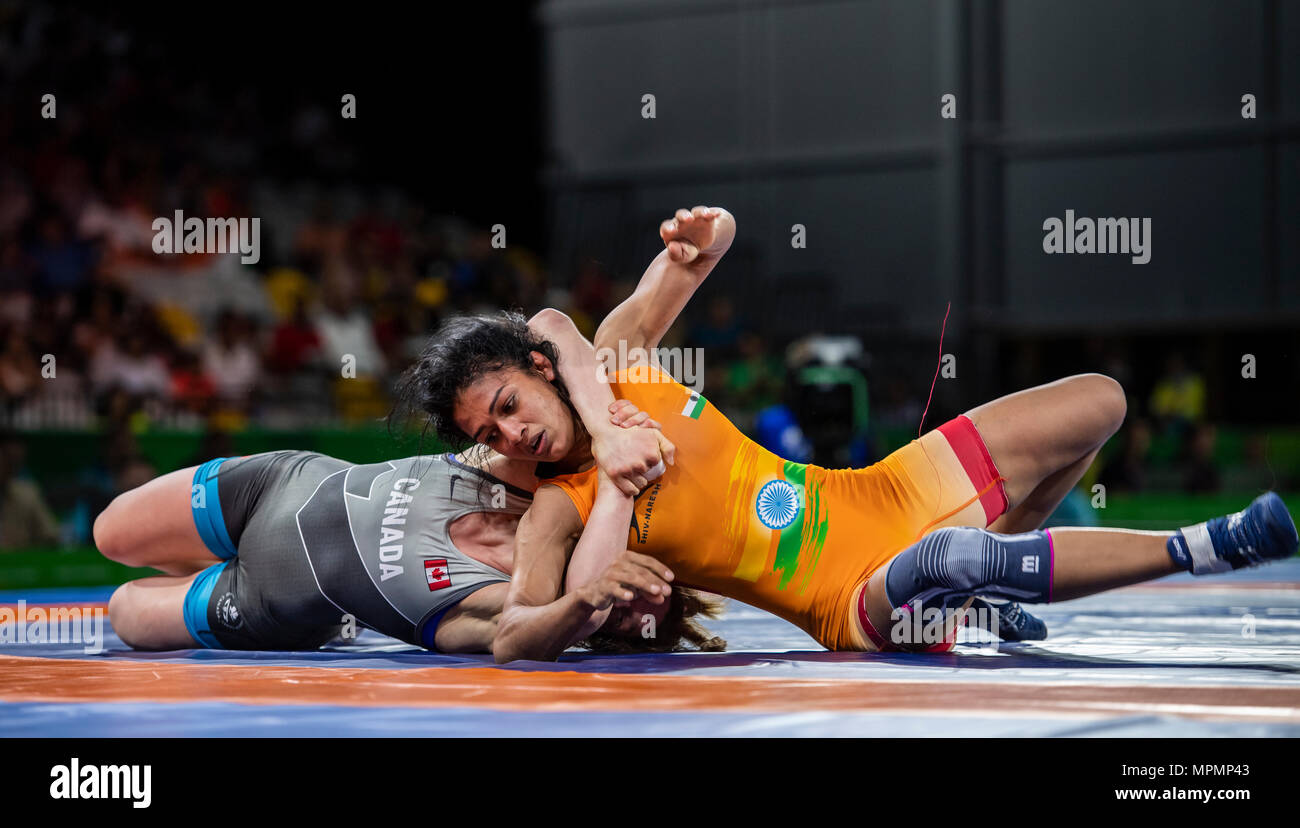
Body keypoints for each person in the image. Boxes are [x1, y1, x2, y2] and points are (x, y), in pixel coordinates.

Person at [405, 206, 1298, 662]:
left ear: (539, 371)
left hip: (877, 493)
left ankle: (995, 573)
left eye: (510, 404)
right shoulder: (559, 509)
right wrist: (585, 567)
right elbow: (526, 623)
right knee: (950, 557)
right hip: (850, 600)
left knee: (1097, 402)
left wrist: (708, 239)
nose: (513, 435)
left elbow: (577, 313)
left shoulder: (614, 362)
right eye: (492, 433)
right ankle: (1207, 546)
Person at [95, 310, 672, 653]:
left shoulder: (524, 591)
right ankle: (191, 561)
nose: (510, 434)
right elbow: (556, 328)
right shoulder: (530, 454)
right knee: (110, 534)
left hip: (266, 602)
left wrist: (583, 605)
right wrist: (608, 433)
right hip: (277, 483)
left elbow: (522, 636)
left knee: (123, 609)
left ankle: (215, 580)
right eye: (492, 426)